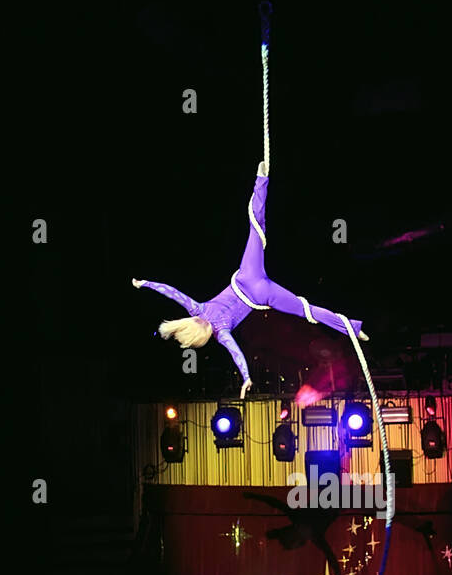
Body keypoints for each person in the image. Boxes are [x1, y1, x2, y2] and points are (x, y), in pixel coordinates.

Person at [134, 163, 368, 399]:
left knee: (308, 311)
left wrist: (247, 379)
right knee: (256, 226)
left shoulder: (220, 332)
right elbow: (172, 292)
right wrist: (144, 283)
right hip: (250, 276)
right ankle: (261, 178)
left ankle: (353, 327)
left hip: (261, 291)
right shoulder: (201, 312)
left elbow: (237, 355)